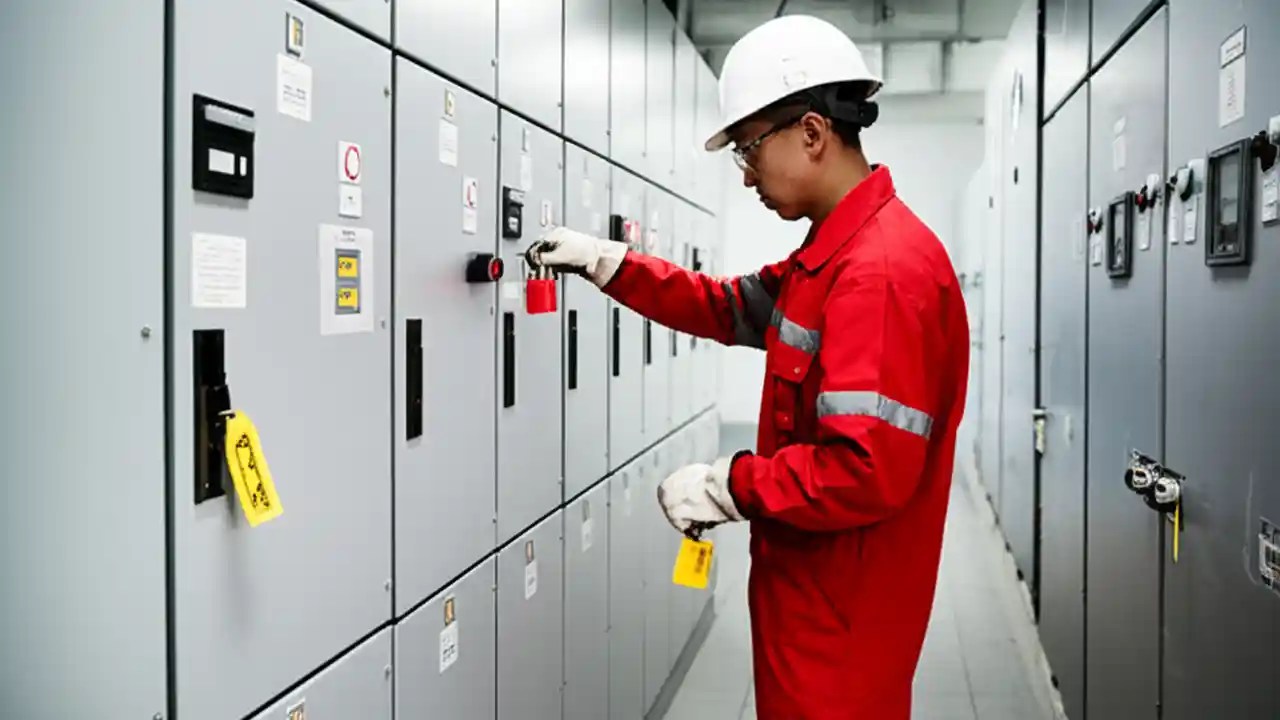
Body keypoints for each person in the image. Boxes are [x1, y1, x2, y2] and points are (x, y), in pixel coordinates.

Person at [525, 14, 970, 719]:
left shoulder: (878, 274)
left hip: (840, 618)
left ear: (814, 134)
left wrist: (730, 485)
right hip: (807, 589)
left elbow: (864, 470)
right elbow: (728, 307)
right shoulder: (832, 256)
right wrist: (607, 263)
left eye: (749, 150)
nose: (746, 177)